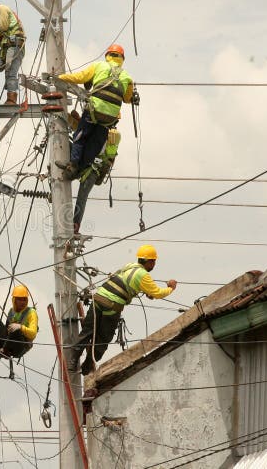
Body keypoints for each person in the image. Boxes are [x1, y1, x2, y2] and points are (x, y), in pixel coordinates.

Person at [71, 245, 177, 376]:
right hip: (111, 305)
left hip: (98, 298)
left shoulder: (130, 265)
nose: (154, 264)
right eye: (154, 261)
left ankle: (72, 360)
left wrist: (146, 291)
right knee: (103, 339)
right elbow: (158, 293)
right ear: (151, 261)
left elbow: (120, 278)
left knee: (87, 331)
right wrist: (171, 288)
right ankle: (87, 368)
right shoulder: (144, 275)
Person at [55, 44, 138, 185]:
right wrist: (134, 96)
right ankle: (80, 169)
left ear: (108, 55)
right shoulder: (127, 77)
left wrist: (60, 77)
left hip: (94, 111)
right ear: (122, 59)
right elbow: (127, 99)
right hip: (110, 118)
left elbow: (80, 77)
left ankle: (73, 165)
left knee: (80, 137)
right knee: (94, 145)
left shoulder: (99, 66)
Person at [72, 127, 121, 236]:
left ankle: (75, 225)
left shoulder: (104, 132)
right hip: (92, 168)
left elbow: (81, 129)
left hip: (92, 168)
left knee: (82, 197)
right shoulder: (113, 135)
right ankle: (75, 225)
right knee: (82, 198)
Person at [0, 0, 25, 105]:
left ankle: (11, 98)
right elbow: (1, 34)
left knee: (10, 73)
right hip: (5, 46)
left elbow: (3, 27)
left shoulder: (1, 8)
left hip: (15, 45)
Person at [0, 285, 38, 359]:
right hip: (8, 342)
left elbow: (33, 334)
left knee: (16, 329)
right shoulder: (11, 312)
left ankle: (4, 351)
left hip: (20, 346)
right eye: (20, 299)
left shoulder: (31, 312)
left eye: (24, 299)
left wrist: (21, 327)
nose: (22, 302)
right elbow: (6, 331)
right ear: (14, 300)